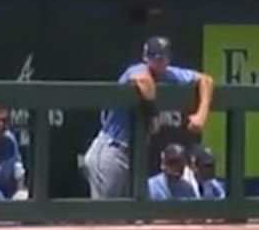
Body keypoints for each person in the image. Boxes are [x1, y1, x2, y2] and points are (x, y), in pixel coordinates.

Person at [81, 37, 214, 200]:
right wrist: (153, 116)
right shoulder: (136, 69)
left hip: (131, 153)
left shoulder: (171, 74)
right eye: (156, 59)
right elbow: (143, 81)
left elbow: (206, 80)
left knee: (124, 215)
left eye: (163, 59)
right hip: (111, 149)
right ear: (146, 58)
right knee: (106, 214)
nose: (160, 63)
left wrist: (202, 114)